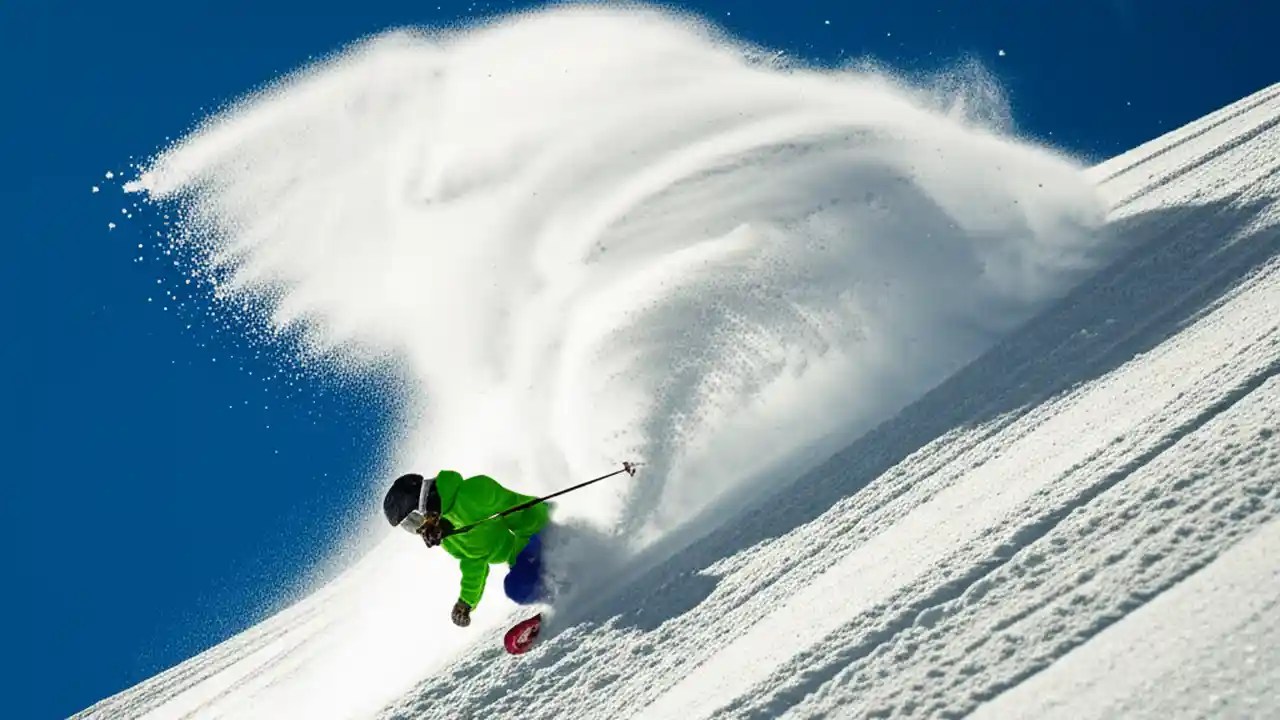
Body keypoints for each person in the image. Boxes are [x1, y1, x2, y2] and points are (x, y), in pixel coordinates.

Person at [383, 470, 550, 627]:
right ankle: (559, 594)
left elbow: (519, 510)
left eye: (413, 520)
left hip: (542, 529)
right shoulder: (448, 536)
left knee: (518, 585)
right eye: (409, 526)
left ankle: (561, 584)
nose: (418, 529)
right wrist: (466, 602)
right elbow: (473, 560)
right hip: (525, 553)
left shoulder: (472, 492)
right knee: (518, 587)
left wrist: (534, 547)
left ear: (420, 503)